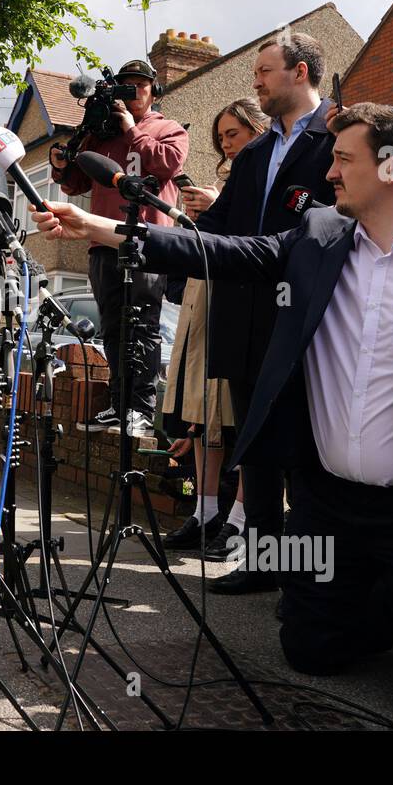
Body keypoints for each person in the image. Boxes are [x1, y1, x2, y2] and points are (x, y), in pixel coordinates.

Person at [32, 102, 393, 727]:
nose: (329, 173)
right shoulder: (317, 238)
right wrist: (97, 225)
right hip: (329, 504)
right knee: (311, 654)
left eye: (342, 158)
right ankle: (388, 600)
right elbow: (222, 251)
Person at [190, 33, 338, 594]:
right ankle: (261, 561)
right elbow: (222, 231)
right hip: (245, 320)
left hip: (304, 321)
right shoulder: (253, 153)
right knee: (256, 446)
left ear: (300, 73)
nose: (254, 82)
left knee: (303, 446)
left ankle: (306, 576)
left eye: (264, 72)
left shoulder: (337, 138)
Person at [49, 59, 187, 438]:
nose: (133, 92)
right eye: (125, 86)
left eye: (140, 86)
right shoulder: (102, 135)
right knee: (113, 328)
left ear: (154, 90)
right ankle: (119, 403)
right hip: (103, 242)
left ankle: (141, 409)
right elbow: (75, 183)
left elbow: (168, 163)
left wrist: (131, 128)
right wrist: (63, 160)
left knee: (143, 325)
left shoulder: (168, 128)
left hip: (148, 242)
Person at [162, 99, 268, 555]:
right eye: (221, 136)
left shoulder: (265, 175)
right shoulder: (225, 180)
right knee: (201, 412)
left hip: (237, 301)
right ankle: (204, 513)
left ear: (257, 131)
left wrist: (217, 207)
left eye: (235, 134)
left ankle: (241, 521)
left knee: (235, 416)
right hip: (199, 299)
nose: (227, 144)